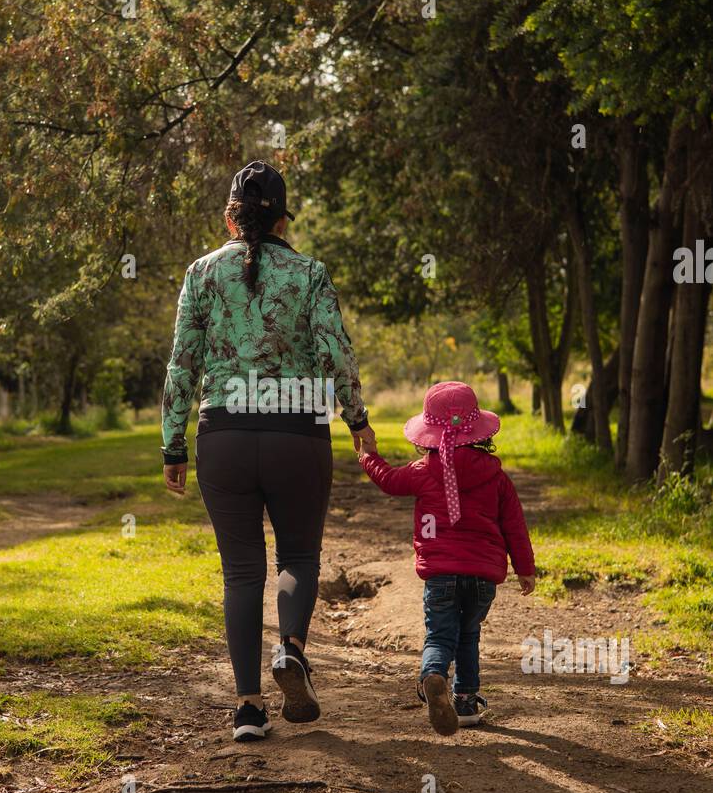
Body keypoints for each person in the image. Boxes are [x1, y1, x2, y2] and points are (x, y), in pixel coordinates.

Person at [162, 160, 376, 741]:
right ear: (283, 220)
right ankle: (292, 650)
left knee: (240, 572)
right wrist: (356, 418)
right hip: (298, 434)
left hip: (224, 437)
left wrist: (172, 444)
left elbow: (182, 362)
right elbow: (336, 352)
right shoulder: (310, 274)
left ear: (232, 218)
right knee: (298, 558)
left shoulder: (201, 274)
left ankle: (249, 709)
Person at [356, 380, 535, 736]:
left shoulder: (424, 471)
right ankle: (466, 703)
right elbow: (515, 526)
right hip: (483, 577)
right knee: (468, 634)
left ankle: (434, 676)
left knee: (439, 637)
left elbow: (389, 481)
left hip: (440, 576)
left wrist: (368, 456)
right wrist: (525, 570)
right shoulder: (496, 477)